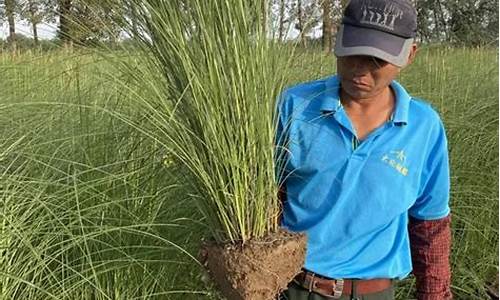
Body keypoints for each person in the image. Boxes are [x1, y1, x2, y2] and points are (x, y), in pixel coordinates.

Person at [276, 0, 452, 299]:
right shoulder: (295, 107)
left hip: (373, 293)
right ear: (338, 42)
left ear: (409, 54)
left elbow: (430, 226)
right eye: (351, 54)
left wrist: (435, 296)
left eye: (376, 60)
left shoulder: (424, 128)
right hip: (293, 287)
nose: (360, 69)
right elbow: (264, 200)